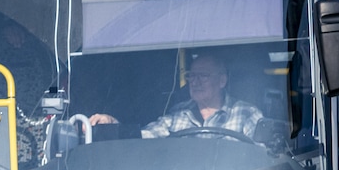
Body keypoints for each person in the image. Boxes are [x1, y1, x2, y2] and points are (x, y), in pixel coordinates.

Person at [90, 52, 269, 140]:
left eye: (203, 76)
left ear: (222, 80)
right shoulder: (177, 116)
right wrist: (114, 124)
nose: (195, 81)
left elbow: (263, 159)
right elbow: (145, 138)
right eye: (191, 75)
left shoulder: (247, 114)